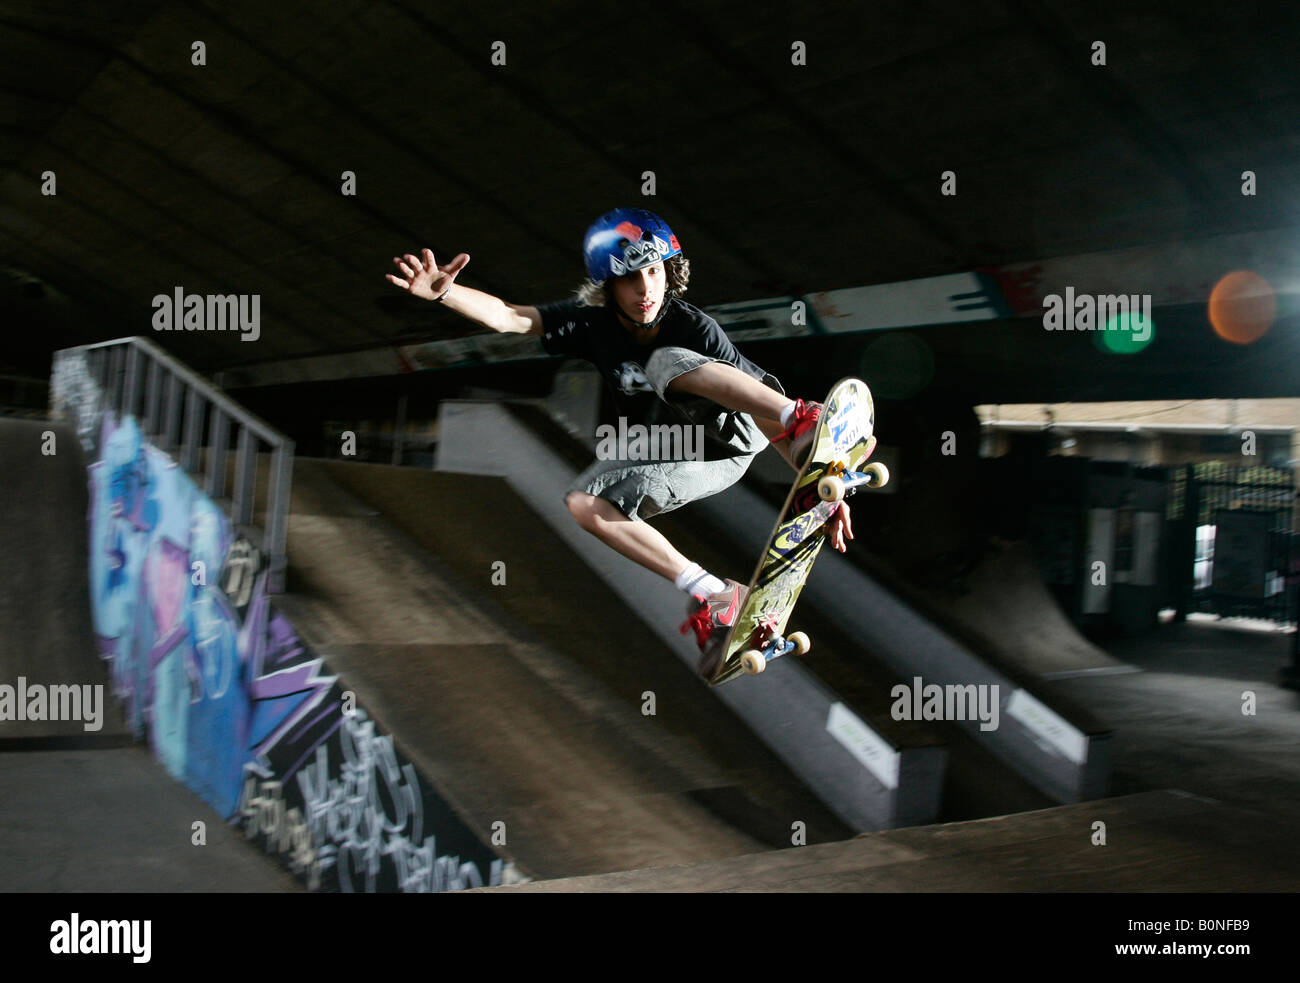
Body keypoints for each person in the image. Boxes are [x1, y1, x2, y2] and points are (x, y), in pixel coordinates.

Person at [386, 207, 852, 676]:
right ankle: (717, 595)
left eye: (654, 272)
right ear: (608, 287)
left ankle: (803, 414)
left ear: (669, 272)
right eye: (631, 279)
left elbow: (756, 401)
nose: (645, 290)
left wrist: (817, 471)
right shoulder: (592, 323)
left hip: (740, 429)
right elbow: (511, 317)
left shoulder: (693, 327)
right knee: (584, 504)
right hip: (684, 449)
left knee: (665, 360)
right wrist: (445, 292)